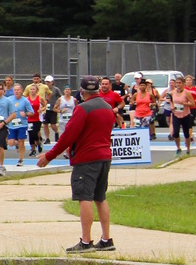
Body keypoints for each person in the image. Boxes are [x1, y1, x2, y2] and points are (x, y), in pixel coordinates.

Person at [37, 75, 117, 253]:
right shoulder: (107, 108)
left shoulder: (83, 109)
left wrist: (49, 156)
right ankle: (106, 239)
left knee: (85, 197)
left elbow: (68, 135)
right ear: (97, 89)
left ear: (81, 92)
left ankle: (86, 241)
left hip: (87, 158)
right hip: (105, 156)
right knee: (100, 197)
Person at [7, 84, 34, 170]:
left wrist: (25, 114)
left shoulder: (25, 101)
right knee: (10, 143)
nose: (16, 91)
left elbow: (31, 112)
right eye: (15, 90)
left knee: (21, 140)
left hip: (22, 124)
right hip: (12, 124)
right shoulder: (9, 99)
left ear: (21, 91)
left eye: (18, 90)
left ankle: (20, 159)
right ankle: (17, 144)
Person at [168, 77, 196, 155]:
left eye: (180, 83)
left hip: (185, 114)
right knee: (176, 132)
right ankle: (178, 148)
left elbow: (193, 104)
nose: (178, 84)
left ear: (183, 84)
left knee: (186, 133)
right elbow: (170, 100)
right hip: (176, 114)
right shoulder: (172, 92)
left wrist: (184, 104)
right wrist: (172, 106)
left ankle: (188, 149)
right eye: (177, 83)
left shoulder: (187, 93)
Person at [43, 75, 63, 143]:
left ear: (52, 82)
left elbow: (61, 98)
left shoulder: (56, 89)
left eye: (49, 82)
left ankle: (56, 132)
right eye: (46, 82)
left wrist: (58, 105)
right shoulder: (43, 89)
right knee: (45, 124)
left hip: (52, 109)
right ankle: (47, 138)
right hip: (45, 110)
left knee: (53, 125)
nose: (47, 83)